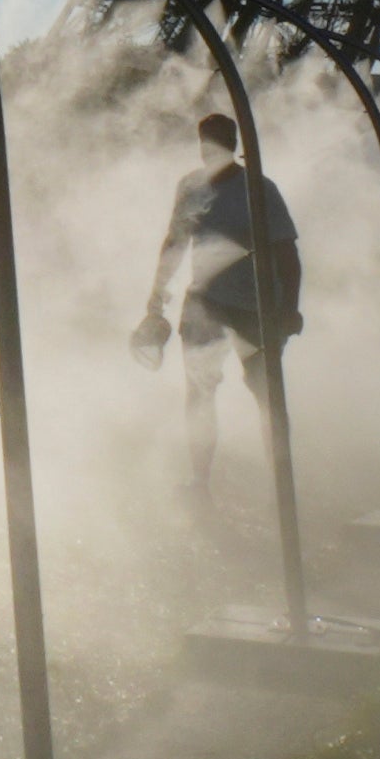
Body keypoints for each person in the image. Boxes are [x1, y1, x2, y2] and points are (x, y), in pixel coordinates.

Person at [130, 111, 301, 501]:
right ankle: (200, 481)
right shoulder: (191, 187)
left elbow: (287, 253)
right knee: (199, 392)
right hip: (205, 304)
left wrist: (289, 309)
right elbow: (175, 242)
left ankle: (282, 485)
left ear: (234, 145)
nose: (213, 148)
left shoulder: (260, 190)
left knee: (266, 394)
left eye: (221, 140)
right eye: (207, 141)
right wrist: (156, 295)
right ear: (201, 145)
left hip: (256, 308)